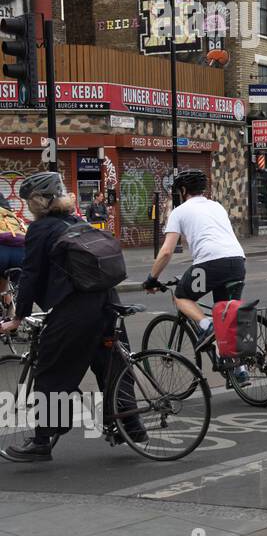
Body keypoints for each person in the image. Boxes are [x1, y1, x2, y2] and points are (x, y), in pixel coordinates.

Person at [0, 173, 132, 463]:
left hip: (76, 308)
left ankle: (42, 440)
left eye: (28, 201)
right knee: (112, 365)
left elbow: (31, 275)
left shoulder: (40, 229)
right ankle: (131, 427)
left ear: (37, 201)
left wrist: (18, 316)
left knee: (51, 370)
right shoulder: (79, 222)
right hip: (109, 302)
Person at [142, 170, 246, 348]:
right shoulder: (217, 206)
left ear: (183, 190)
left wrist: (152, 279)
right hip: (237, 261)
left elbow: (167, 251)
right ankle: (238, 368)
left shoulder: (179, 211)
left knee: (181, 296)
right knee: (226, 316)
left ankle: (207, 325)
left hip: (210, 263)